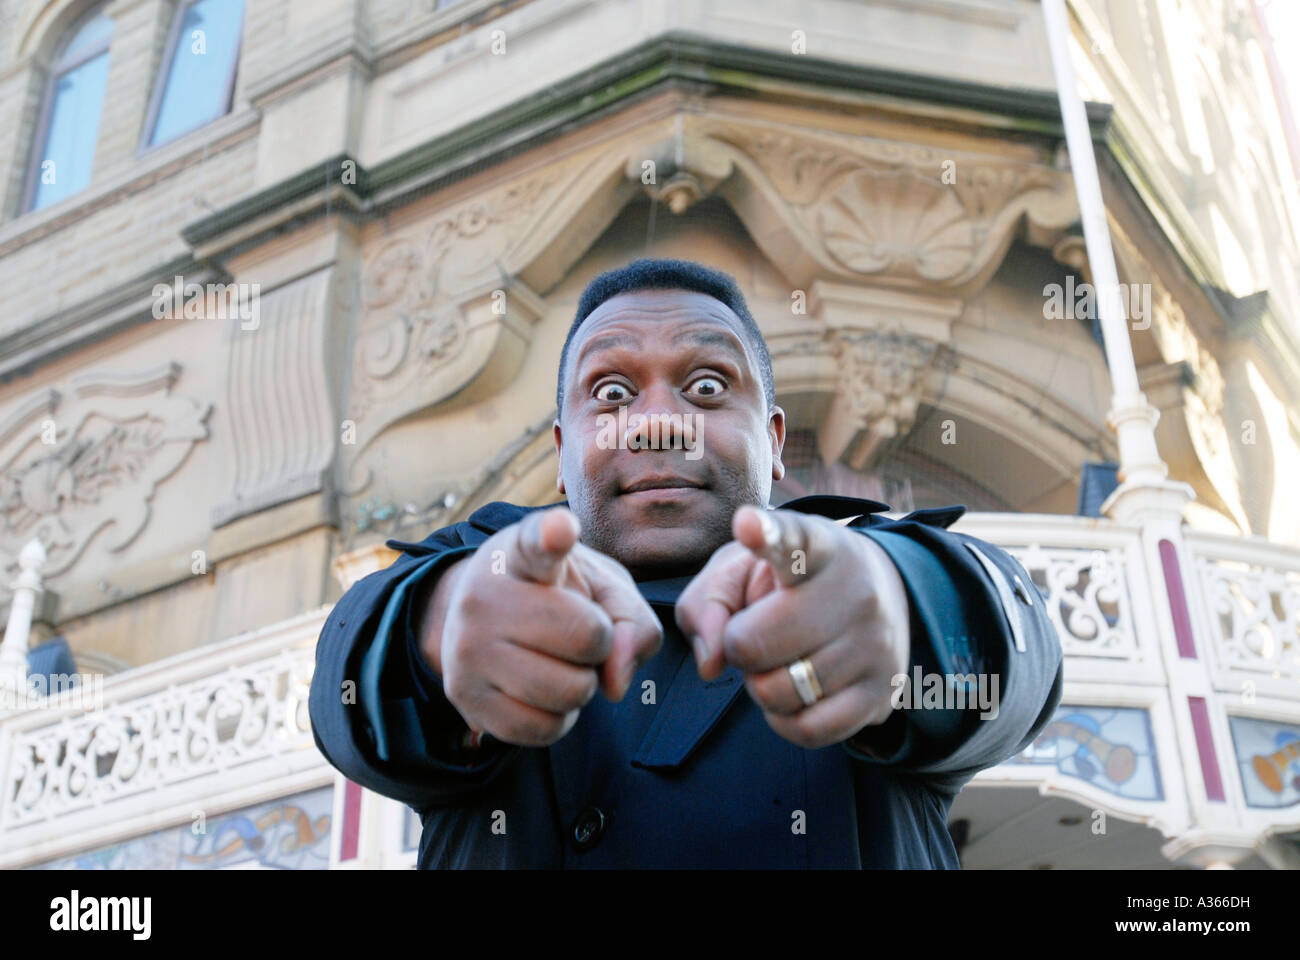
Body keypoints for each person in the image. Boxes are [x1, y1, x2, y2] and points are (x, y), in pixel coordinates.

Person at [308, 257, 1063, 868]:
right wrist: (443, 626)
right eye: (611, 391)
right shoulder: (468, 568)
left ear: (772, 440)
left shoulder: (866, 559)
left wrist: (902, 606)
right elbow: (353, 677)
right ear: (562, 451)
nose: (662, 424)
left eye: (707, 387)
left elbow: (1011, 647)